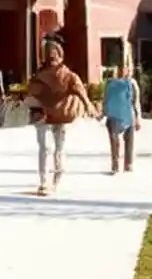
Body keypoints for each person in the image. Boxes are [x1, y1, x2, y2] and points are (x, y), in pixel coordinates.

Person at [27, 41, 98, 196]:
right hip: (42, 115)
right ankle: (43, 182)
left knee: (59, 149)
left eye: (55, 54)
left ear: (61, 56)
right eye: (49, 54)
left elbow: (80, 90)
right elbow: (31, 92)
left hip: (61, 115)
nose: (52, 57)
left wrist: (88, 105)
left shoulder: (68, 76)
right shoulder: (39, 76)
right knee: (45, 148)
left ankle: (56, 181)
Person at [100, 63, 142, 174]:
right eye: (120, 68)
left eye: (125, 68)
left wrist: (138, 118)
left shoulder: (132, 83)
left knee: (129, 139)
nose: (122, 71)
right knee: (114, 140)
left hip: (129, 114)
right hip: (113, 115)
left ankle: (128, 163)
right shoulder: (111, 84)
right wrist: (103, 113)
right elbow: (106, 99)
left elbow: (136, 102)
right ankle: (115, 164)